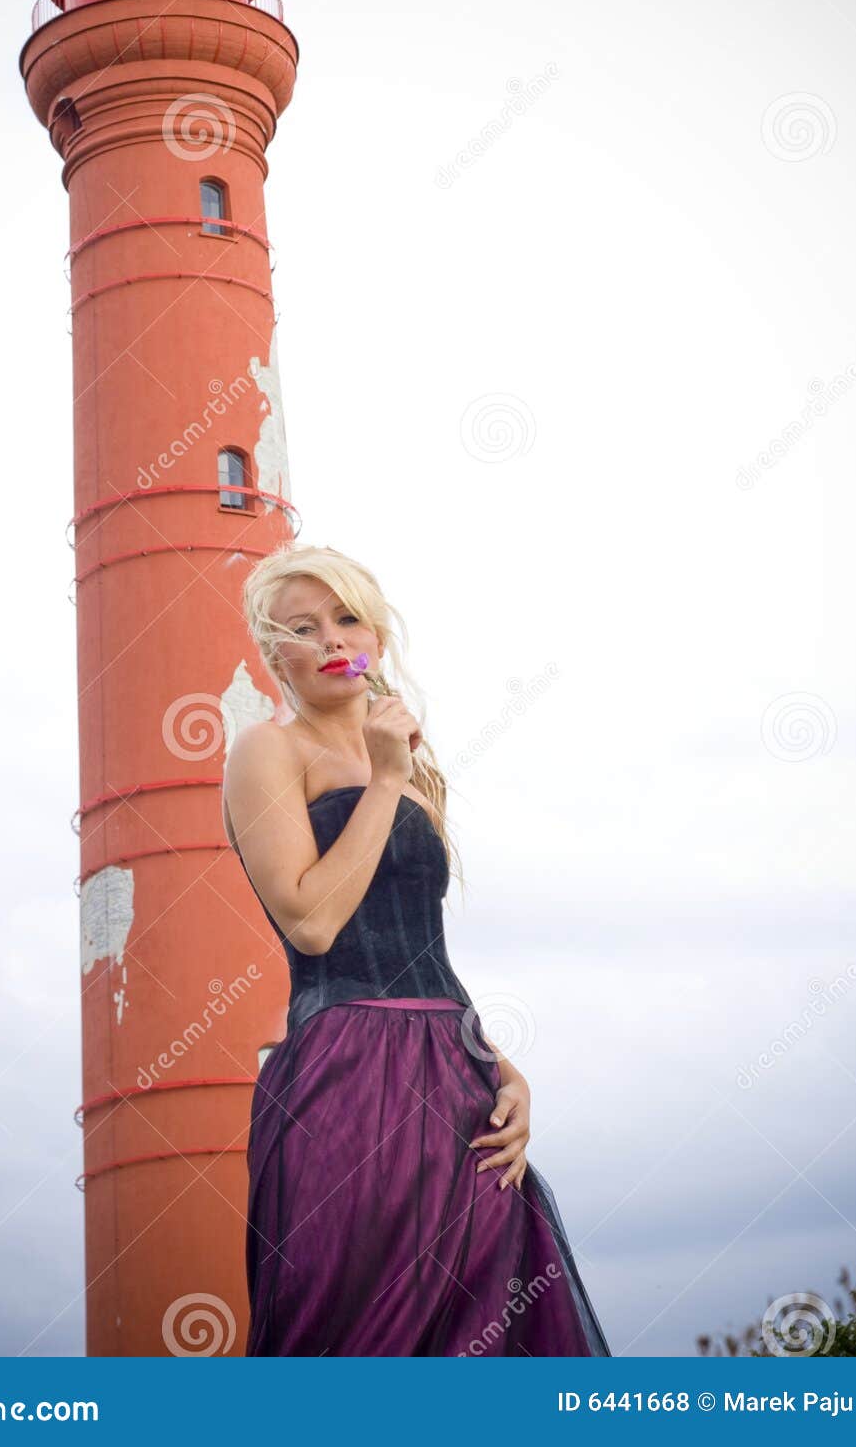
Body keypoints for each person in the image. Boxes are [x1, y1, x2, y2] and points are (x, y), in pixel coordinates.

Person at [222, 543, 611, 1357]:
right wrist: (385, 779)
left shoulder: (410, 768)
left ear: (376, 637)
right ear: (272, 656)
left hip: (457, 1077)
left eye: (347, 619)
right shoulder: (267, 750)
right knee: (355, 1331)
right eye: (302, 628)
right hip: (344, 1071)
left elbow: (423, 951)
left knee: (489, 1329)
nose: (332, 639)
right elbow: (312, 923)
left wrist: (503, 1068)